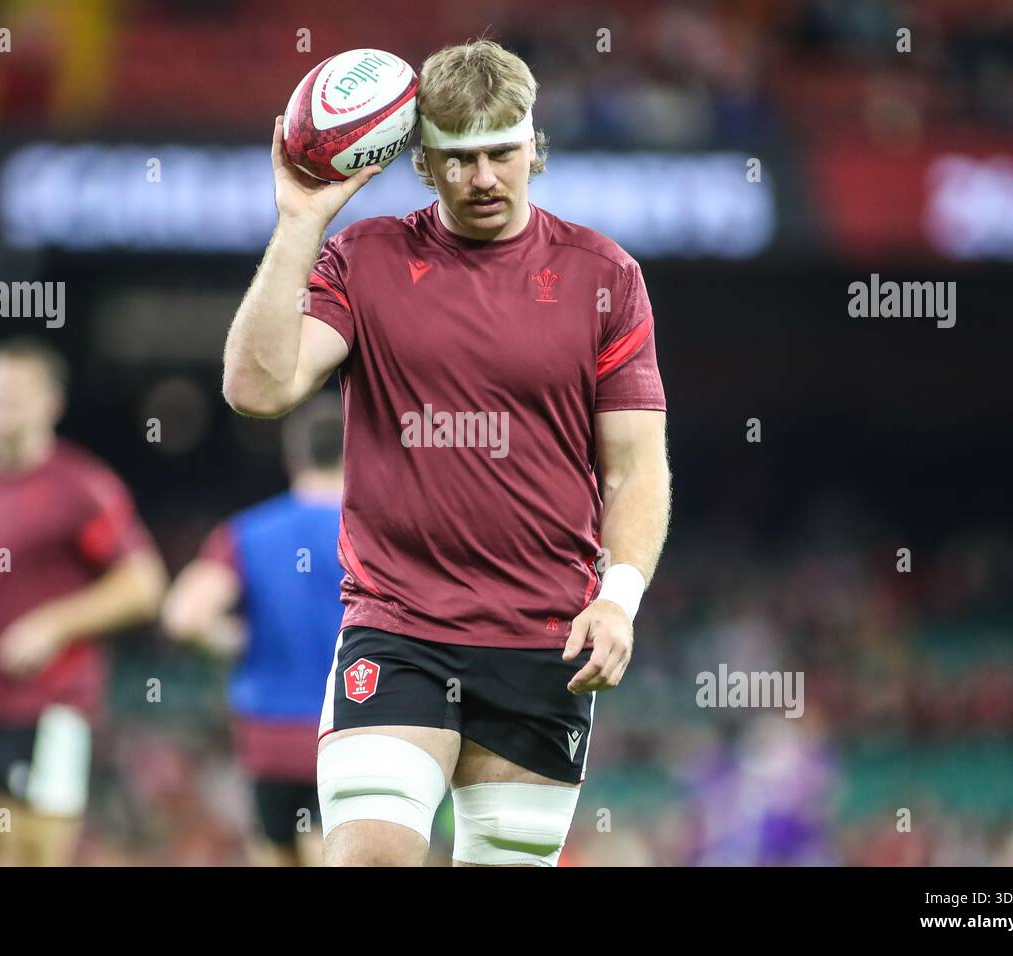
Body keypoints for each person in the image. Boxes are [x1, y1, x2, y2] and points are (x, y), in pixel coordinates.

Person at [222, 39, 671, 867]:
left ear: (535, 146)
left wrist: (620, 599)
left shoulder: (606, 275)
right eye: (458, 159)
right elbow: (257, 388)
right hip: (398, 630)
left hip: (546, 641)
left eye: (503, 153)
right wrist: (299, 220)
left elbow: (636, 467)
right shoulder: (364, 260)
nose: (484, 178)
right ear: (423, 162)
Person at [0, 337, 167, 866]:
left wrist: (54, 624)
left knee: (28, 857)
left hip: (53, 709)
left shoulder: (81, 486)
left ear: (49, 405)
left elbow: (145, 583)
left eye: (11, 396)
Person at [162, 393, 345, 866]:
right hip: (351, 735)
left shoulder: (247, 533)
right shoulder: (379, 533)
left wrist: (234, 640)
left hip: (269, 744)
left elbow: (183, 618)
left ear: (292, 457)